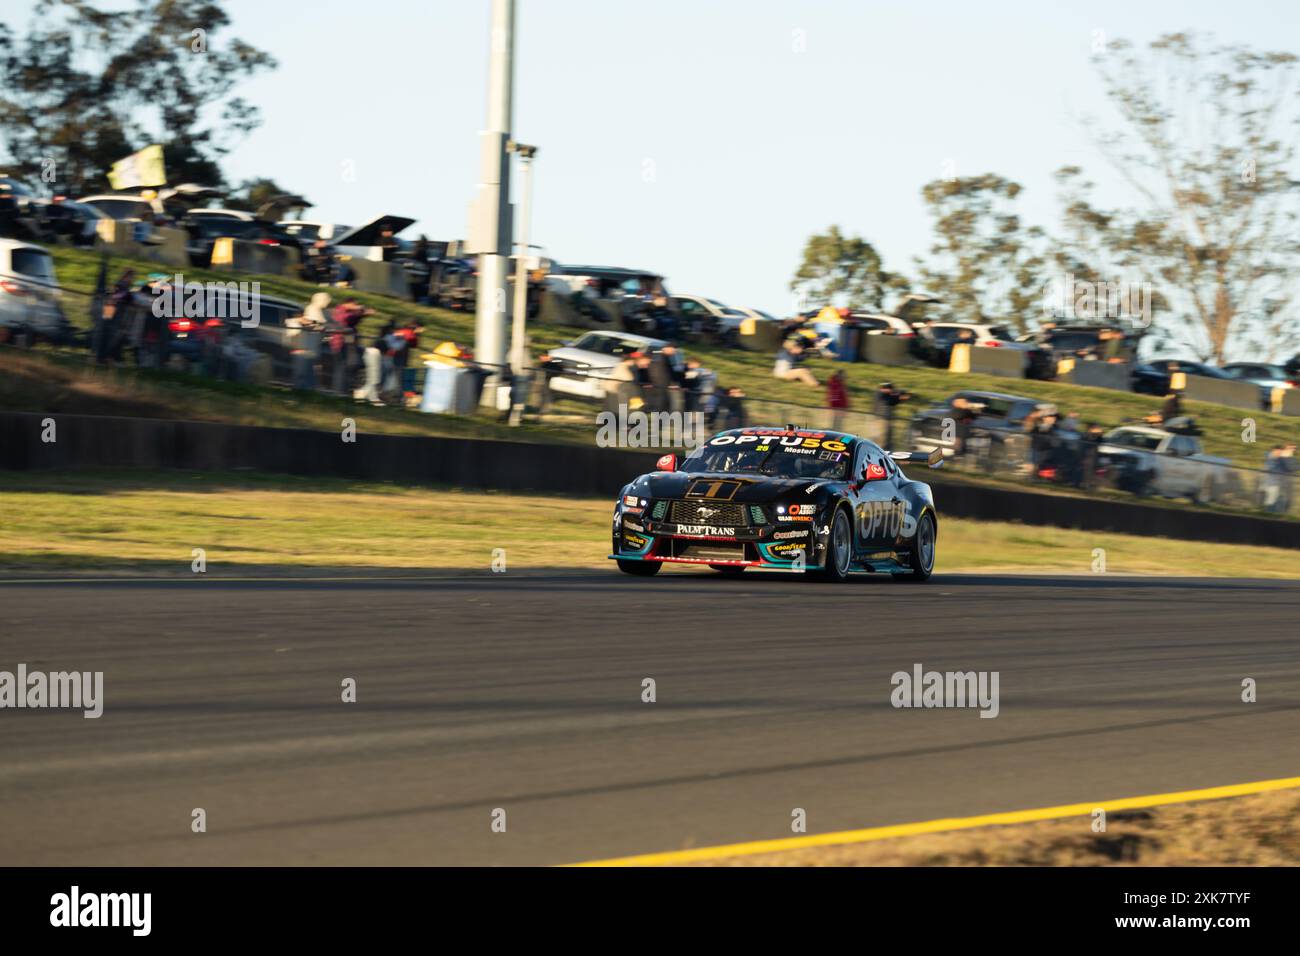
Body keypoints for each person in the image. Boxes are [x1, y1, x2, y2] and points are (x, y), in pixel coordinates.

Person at [874, 382, 912, 451]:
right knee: (882, 442)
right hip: (882, 420)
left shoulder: (885, 395)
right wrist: (899, 397)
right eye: (889, 389)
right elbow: (889, 401)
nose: (891, 391)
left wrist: (900, 398)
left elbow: (893, 401)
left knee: (888, 442)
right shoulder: (881, 395)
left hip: (885, 420)